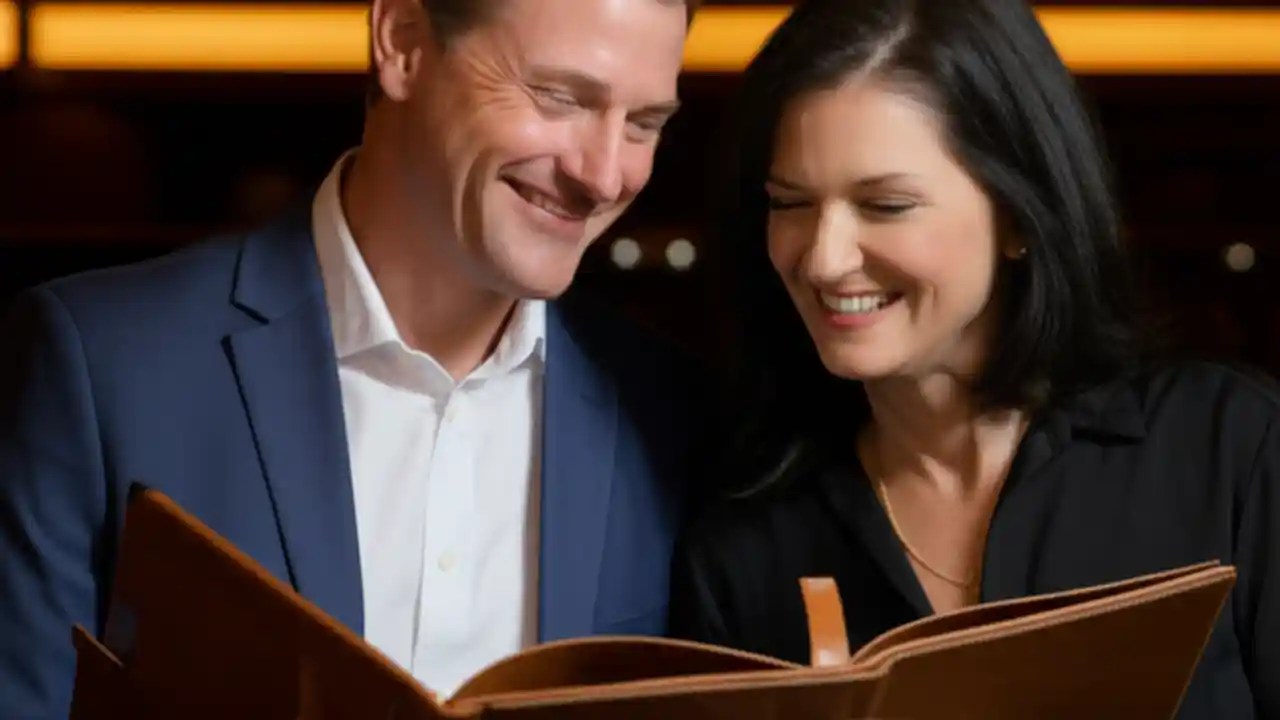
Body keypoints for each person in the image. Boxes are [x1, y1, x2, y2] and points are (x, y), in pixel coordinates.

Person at [0, 0, 706, 714]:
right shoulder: (100, 365)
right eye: (560, 98)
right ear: (401, 42)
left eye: (645, 124)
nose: (606, 175)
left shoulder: (671, 412)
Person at [668, 0, 1277, 717]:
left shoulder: (1230, 450)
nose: (825, 260)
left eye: (886, 205)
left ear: (1020, 214)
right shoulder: (743, 542)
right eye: (791, 204)